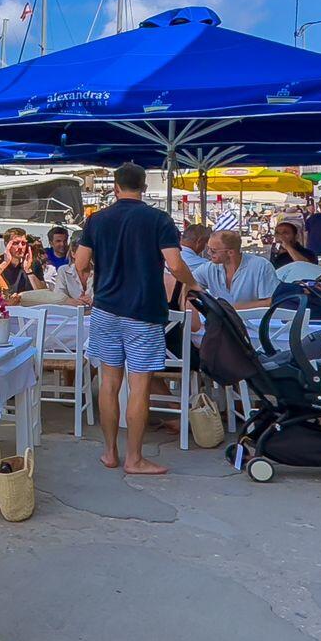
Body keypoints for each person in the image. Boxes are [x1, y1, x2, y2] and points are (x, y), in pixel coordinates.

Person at [73, 162, 197, 476]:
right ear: (143, 186)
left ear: (115, 187)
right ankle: (135, 459)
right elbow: (174, 263)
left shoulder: (97, 220)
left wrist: (96, 275)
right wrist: (192, 282)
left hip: (105, 310)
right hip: (143, 312)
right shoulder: (158, 219)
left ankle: (110, 452)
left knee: (109, 383)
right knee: (139, 386)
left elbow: (80, 263)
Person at [199, 228, 279, 309]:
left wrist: (232, 309)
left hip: (255, 319)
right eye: (208, 248)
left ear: (231, 252)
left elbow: (270, 301)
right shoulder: (209, 268)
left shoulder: (261, 266)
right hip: (220, 320)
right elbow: (189, 284)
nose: (209, 253)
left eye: (213, 250)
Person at [0, 228, 41, 296]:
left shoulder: (34, 263)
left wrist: (28, 270)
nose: (20, 247)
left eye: (23, 243)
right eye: (15, 243)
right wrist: (5, 263)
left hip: (27, 304)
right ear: (6, 244)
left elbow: (42, 291)